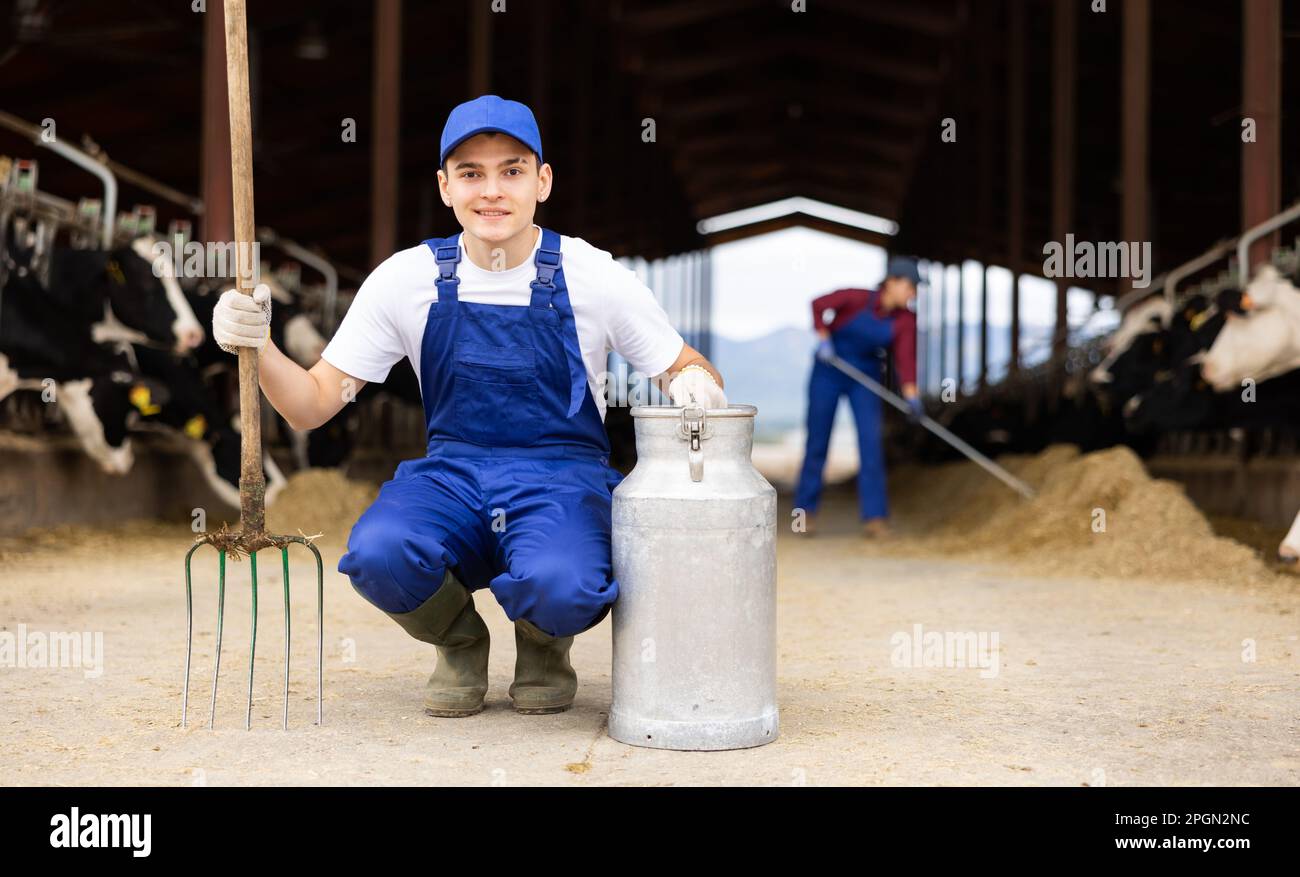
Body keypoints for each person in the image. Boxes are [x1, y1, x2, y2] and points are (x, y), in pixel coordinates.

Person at [211, 95, 727, 718]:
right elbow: (313, 405)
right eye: (471, 173)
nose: (492, 191)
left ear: (543, 181)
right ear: (444, 186)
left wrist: (695, 386)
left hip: (560, 478)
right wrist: (258, 346)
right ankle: (459, 641)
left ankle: (543, 644)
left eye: (511, 171)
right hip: (453, 475)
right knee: (379, 550)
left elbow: (683, 365)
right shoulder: (407, 279)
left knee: (563, 583)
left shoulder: (593, 274)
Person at [794, 256, 920, 538]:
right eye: (910, 286)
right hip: (829, 369)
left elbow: (906, 359)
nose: (913, 293)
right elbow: (818, 304)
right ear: (892, 282)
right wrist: (824, 338)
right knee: (817, 442)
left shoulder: (905, 320)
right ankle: (805, 514)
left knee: (870, 443)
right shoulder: (855, 298)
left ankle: (875, 518)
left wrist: (912, 396)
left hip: (865, 376)